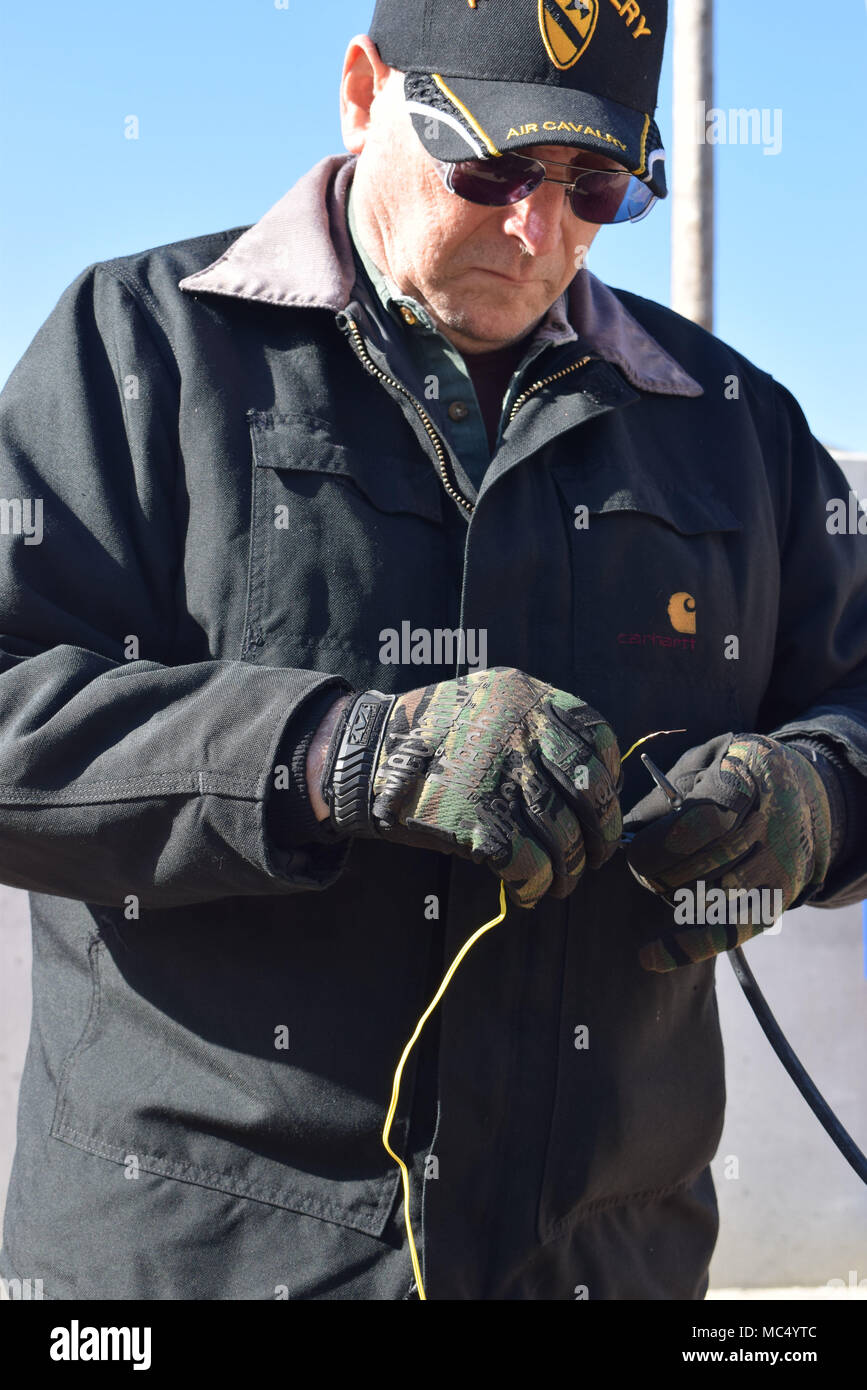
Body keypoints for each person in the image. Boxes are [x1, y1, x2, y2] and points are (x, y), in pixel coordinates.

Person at [0, 0, 865, 1301]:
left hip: (605, 1264)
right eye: (492, 167)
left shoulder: (737, 428)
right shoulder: (140, 352)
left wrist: (813, 799)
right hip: (202, 1266)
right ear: (362, 91)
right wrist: (333, 757)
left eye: (599, 187)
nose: (540, 233)